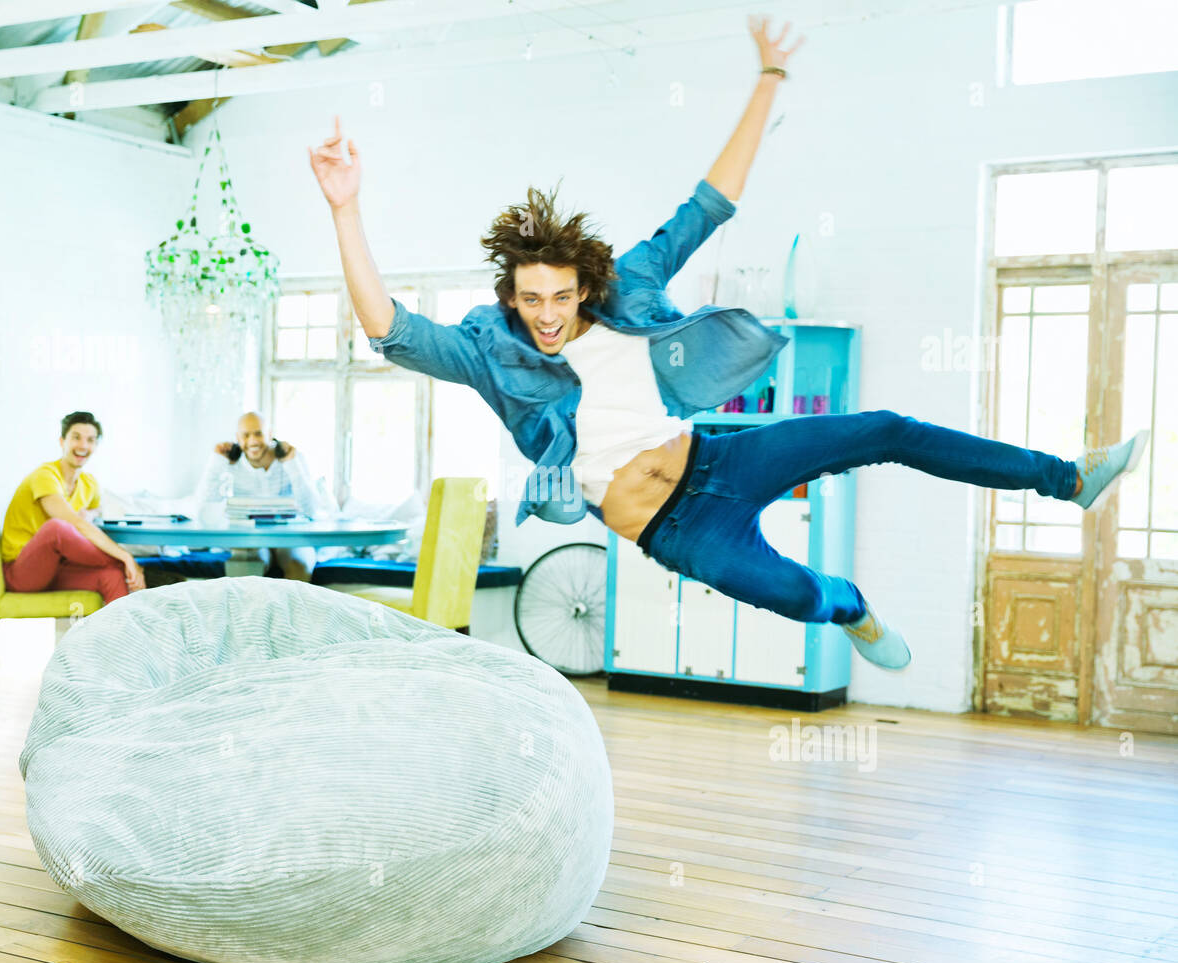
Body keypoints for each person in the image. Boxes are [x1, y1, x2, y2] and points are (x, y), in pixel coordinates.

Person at [309, 15, 1151, 672]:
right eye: (531, 300)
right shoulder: (490, 352)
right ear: (510, 296)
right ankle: (853, 607)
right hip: (677, 531)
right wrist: (346, 209)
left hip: (718, 460)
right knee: (796, 596)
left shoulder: (631, 284)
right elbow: (390, 330)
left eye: (562, 296)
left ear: (586, 283)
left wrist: (769, 76)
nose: (549, 314)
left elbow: (710, 201)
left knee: (886, 426)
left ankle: (1067, 479)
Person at [0, 411, 145, 604]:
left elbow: (96, 510)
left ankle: (118, 635)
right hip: (22, 572)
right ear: (62, 441)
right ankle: (138, 566)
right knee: (57, 528)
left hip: (57, 570)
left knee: (111, 575)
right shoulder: (45, 475)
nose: (83, 445)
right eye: (76, 437)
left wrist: (91, 513)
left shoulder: (88, 483)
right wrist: (126, 558)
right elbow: (76, 524)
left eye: (91, 440)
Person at [194, 411, 340, 580]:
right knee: (244, 568)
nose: (253, 441)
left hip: (292, 539)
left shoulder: (293, 459)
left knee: (299, 566)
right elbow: (203, 508)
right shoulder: (231, 464)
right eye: (246, 435)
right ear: (237, 438)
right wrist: (216, 461)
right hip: (251, 540)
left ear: (270, 434)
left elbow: (311, 509)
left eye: (258, 433)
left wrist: (291, 464)